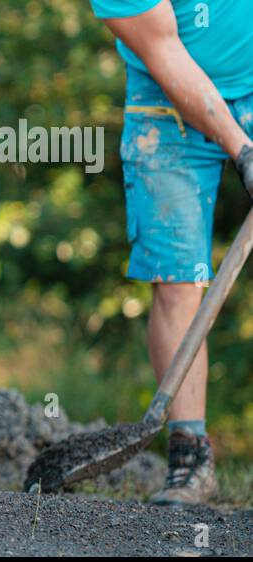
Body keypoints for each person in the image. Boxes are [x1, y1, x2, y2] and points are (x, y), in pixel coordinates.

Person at [91, 0, 253, 505]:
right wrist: (244, 152)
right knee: (177, 278)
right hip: (166, 99)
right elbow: (164, 52)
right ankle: (190, 456)